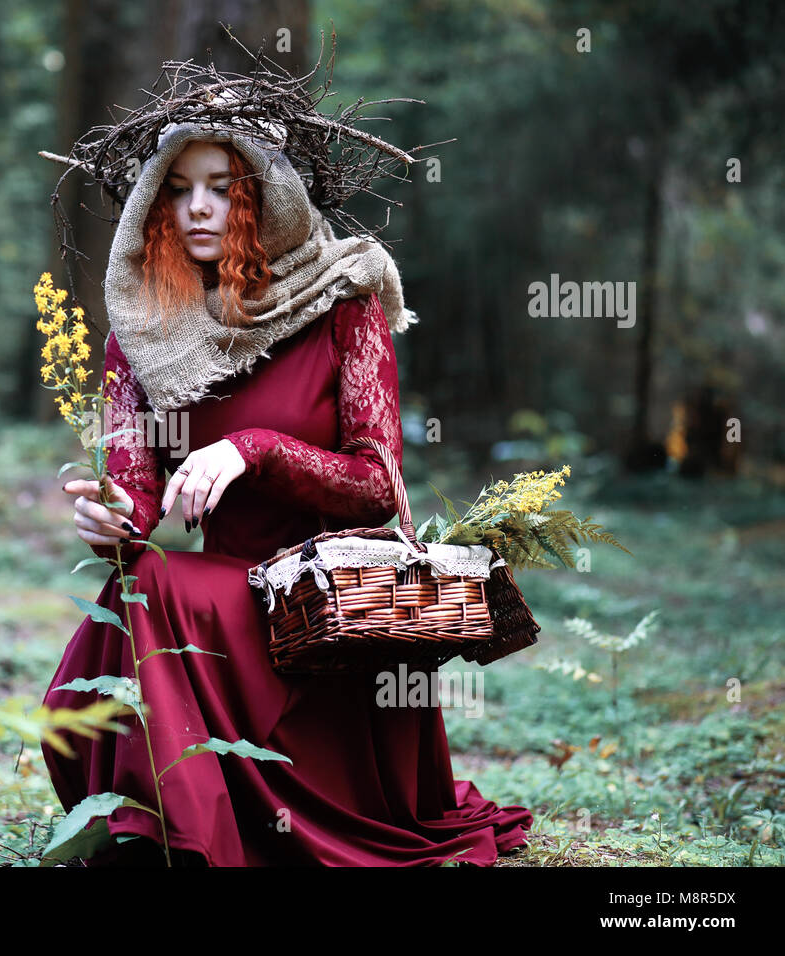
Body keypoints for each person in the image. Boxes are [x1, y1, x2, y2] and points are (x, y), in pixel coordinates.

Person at [42, 116, 533, 866]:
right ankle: (159, 833)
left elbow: (378, 487)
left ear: (266, 199)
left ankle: (179, 835)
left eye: (221, 188)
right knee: (139, 581)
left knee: (159, 590)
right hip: (230, 595)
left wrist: (255, 450)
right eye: (178, 191)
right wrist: (108, 515)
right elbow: (139, 502)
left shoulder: (343, 301)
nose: (197, 208)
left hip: (334, 608)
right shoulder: (140, 332)